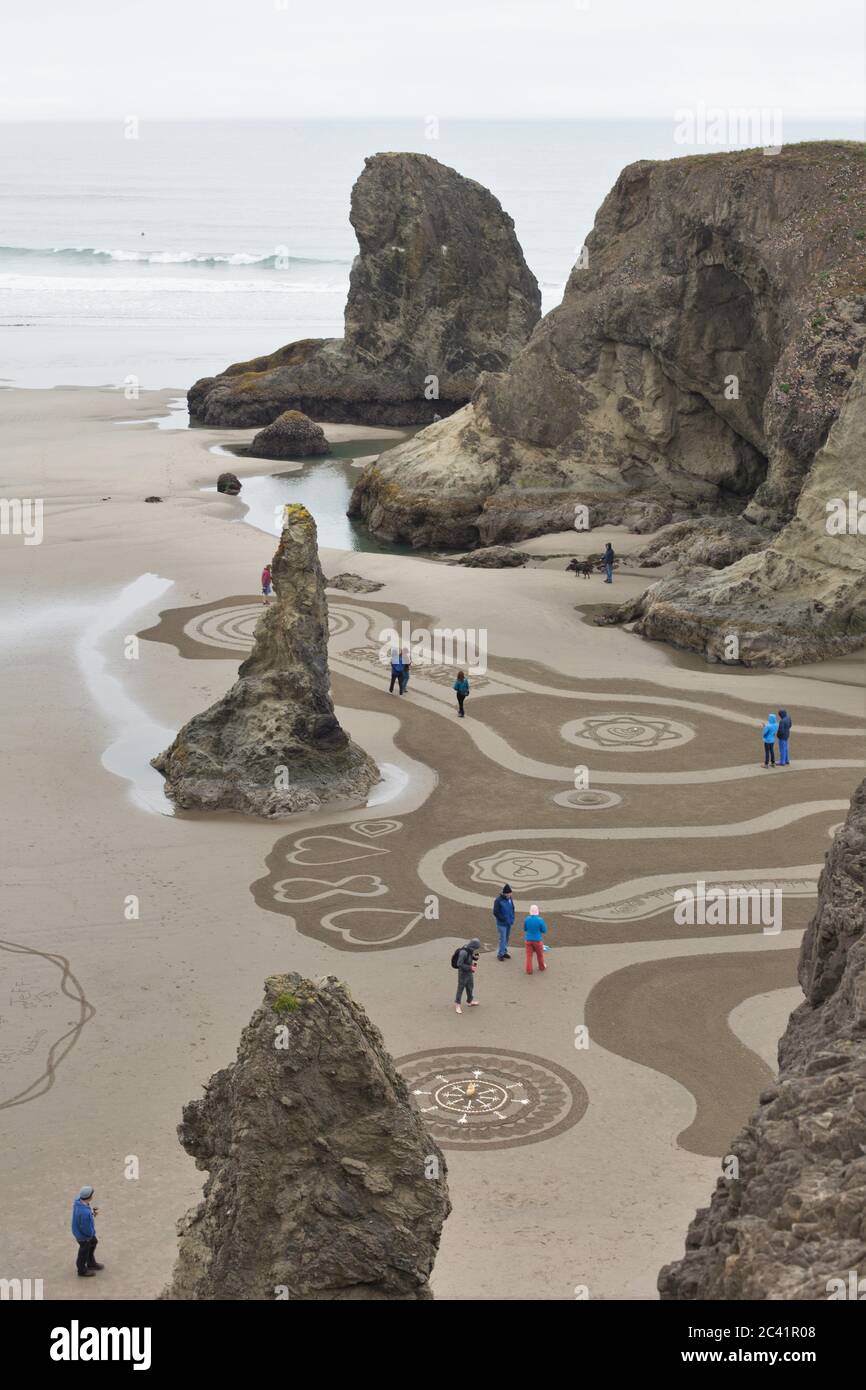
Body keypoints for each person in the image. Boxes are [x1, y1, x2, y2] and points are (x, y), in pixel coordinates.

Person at [71, 1185, 103, 1277]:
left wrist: (92, 1214)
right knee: (83, 1252)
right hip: (84, 1236)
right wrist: (90, 1234)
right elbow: (85, 1227)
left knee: (93, 1242)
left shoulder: (79, 1201)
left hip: (82, 1233)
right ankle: (81, 1270)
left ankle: (91, 1263)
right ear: (89, 1197)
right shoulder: (84, 1212)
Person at [454, 937, 481, 1013]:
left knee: (470, 987)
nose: (476, 949)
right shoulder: (463, 952)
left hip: (469, 973)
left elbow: (470, 956)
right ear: (473, 946)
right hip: (462, 973)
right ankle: (457, 1005)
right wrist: (470, 967)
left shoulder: (469, 949)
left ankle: (470, 1001)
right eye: (476, 947)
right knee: (460, 989)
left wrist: (475, 958)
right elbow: (459, 964)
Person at [493, 884, 515, 960]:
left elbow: (512, 908)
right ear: (505, 893)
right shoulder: (498, 900)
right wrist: (503, 919)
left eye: (510, 893)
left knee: (506, 938)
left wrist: (512, 918)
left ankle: (504, 951)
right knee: (503, 938)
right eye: (509, 893)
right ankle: (500, 954)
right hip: (501, 924)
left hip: (508, 922)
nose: (510, 895)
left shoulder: (510, 898)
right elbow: (495, 912)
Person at [523, 904, 548, 974]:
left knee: (529, 956)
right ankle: (541, 967)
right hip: (537, 940)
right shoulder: (540, 920)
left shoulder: (527, 919)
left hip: (528, 940)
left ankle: (529, 970)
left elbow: (525, 929)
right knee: (540, 955)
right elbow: (544, 930)